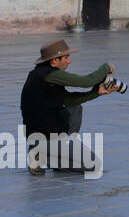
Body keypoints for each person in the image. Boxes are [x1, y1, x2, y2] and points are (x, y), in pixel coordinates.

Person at [20, 40, 123, 175]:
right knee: (94, 165)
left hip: (39, 134)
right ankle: (44, 155)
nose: (69, 61)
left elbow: (70, 100)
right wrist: (106, 67)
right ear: (54, 61)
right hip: (47, 136)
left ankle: (50, 153)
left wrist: (97, 92)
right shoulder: (51, 74)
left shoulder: (38, 75)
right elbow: (86, 81)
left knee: (75, 107)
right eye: (66, 57)